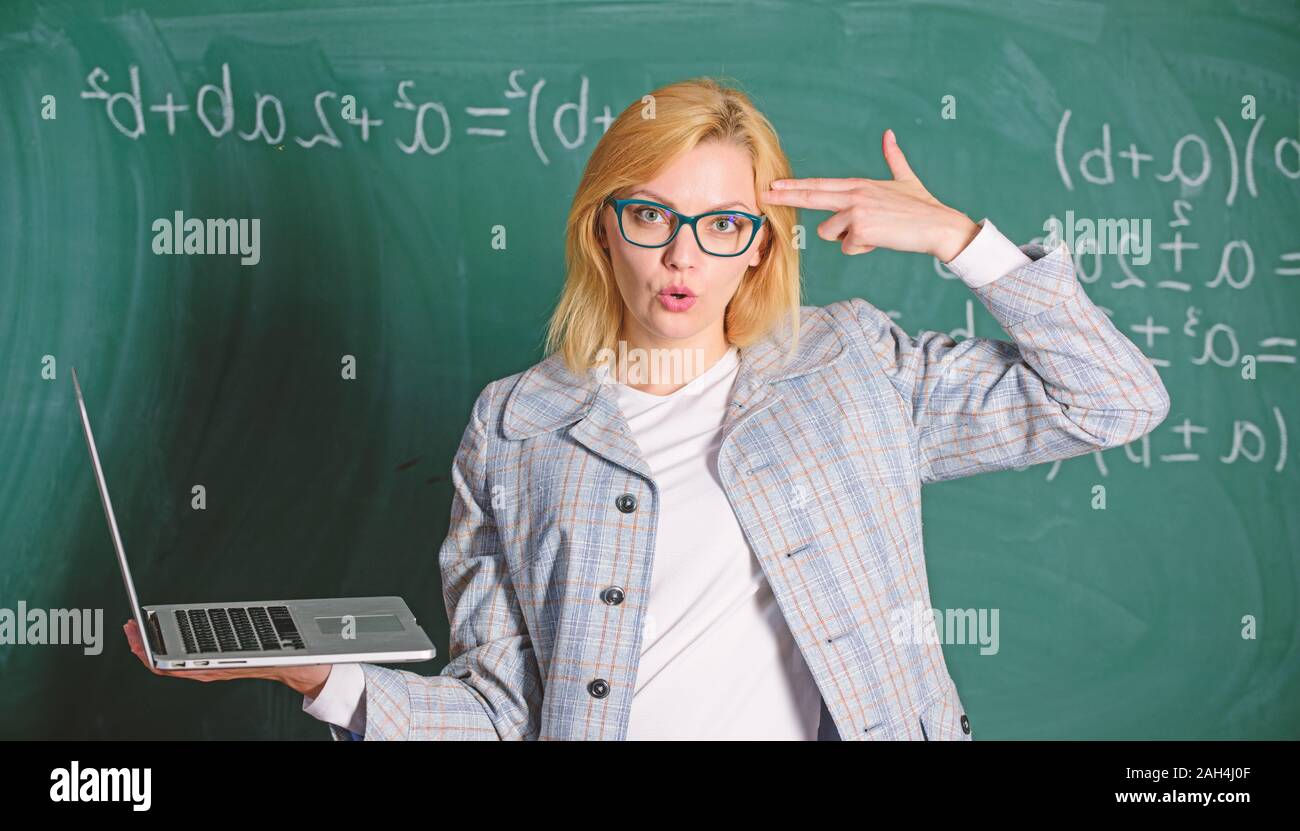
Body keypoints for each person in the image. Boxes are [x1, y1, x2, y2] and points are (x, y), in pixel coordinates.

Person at [126, 76, 1170, 740]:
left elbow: (1111, 400)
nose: (682, 255)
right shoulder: (516, 428)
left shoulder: (851, 367)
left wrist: (960, 240)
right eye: (650, 216)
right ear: (601, 230)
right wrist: (321, 678)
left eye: (722, 224)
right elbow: (498, 715)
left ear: (760, 245)